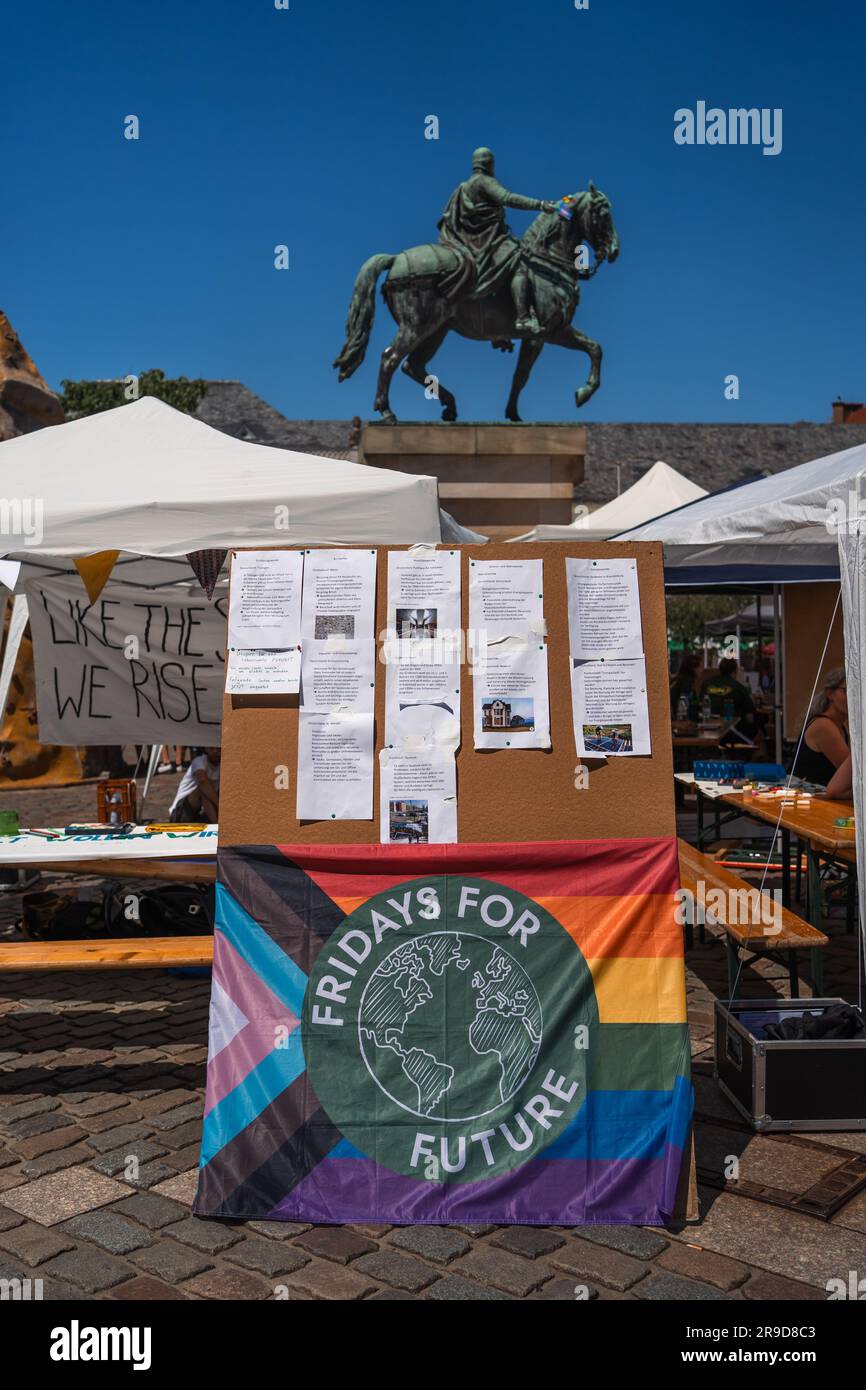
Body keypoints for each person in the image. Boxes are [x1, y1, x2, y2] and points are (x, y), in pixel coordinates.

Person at [438, 147, 557, 333]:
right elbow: (507, 198)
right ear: (488, 163)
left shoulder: (464, 186)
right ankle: (523, 318)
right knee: (519, 262)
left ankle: (500, 325)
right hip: (485, 239)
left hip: (468, 239)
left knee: (505, 268)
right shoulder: (484, 182)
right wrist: (539, 205)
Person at [790, 668, 849, 786]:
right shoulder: (824, 726)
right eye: (846, 690)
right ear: (830, 694)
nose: (853, 696)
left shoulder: (840, 726)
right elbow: (853, 772)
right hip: (808, 798)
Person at [699, 657, 756, 727]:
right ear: (735, 671)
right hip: (730, 729)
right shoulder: (739, 688)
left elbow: (700, 704)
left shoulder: (706, 683)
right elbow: (750, 718)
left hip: (706, 725)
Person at [169, 747, 221, 823]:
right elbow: (203, 781)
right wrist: (220, 805)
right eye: (211, 749)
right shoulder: (199, 761)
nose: (215, 751)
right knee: (203, 790)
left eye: (218, 749)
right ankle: (217, 826)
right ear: (206, 749)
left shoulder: (224, 764)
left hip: (202, 812)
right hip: (180, 813)